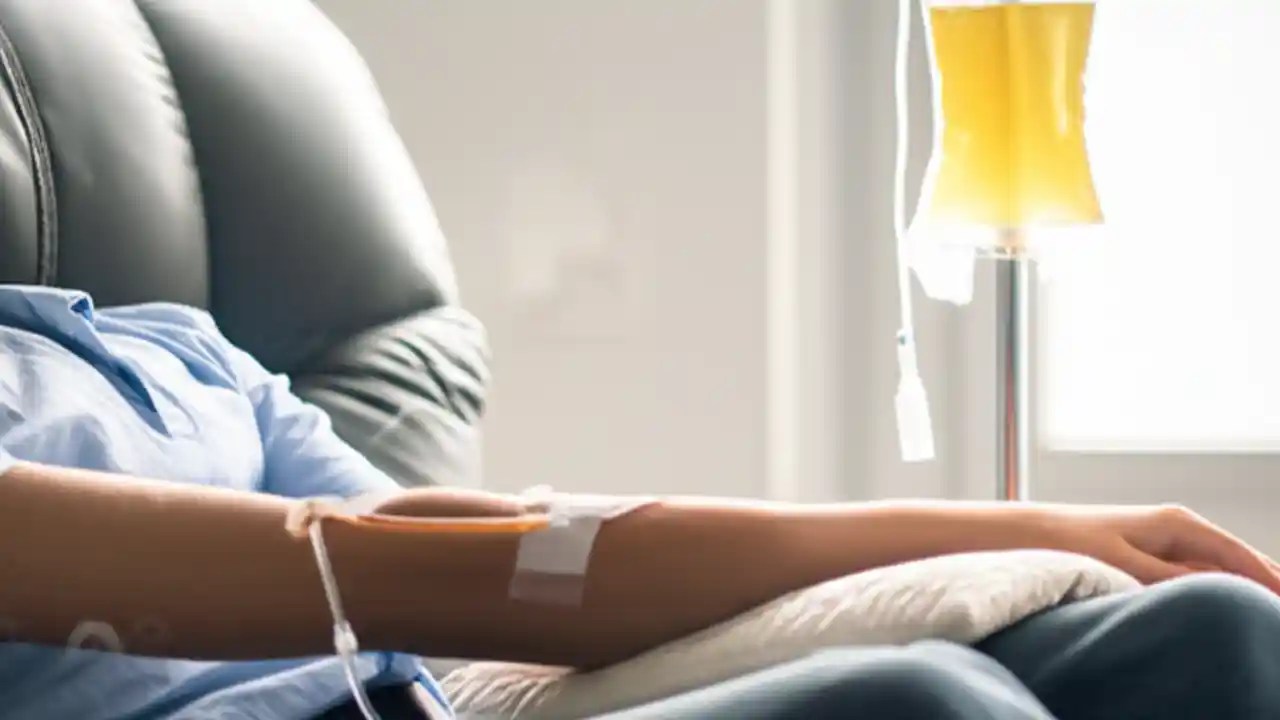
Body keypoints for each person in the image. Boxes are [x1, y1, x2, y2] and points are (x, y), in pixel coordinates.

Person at [1, 283, 1278, 720]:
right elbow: (406, 576)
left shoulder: (166, 350)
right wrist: (1020, 527)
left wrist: (1037, 538)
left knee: (1211, 634)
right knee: (922, 707)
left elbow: (481, 557)